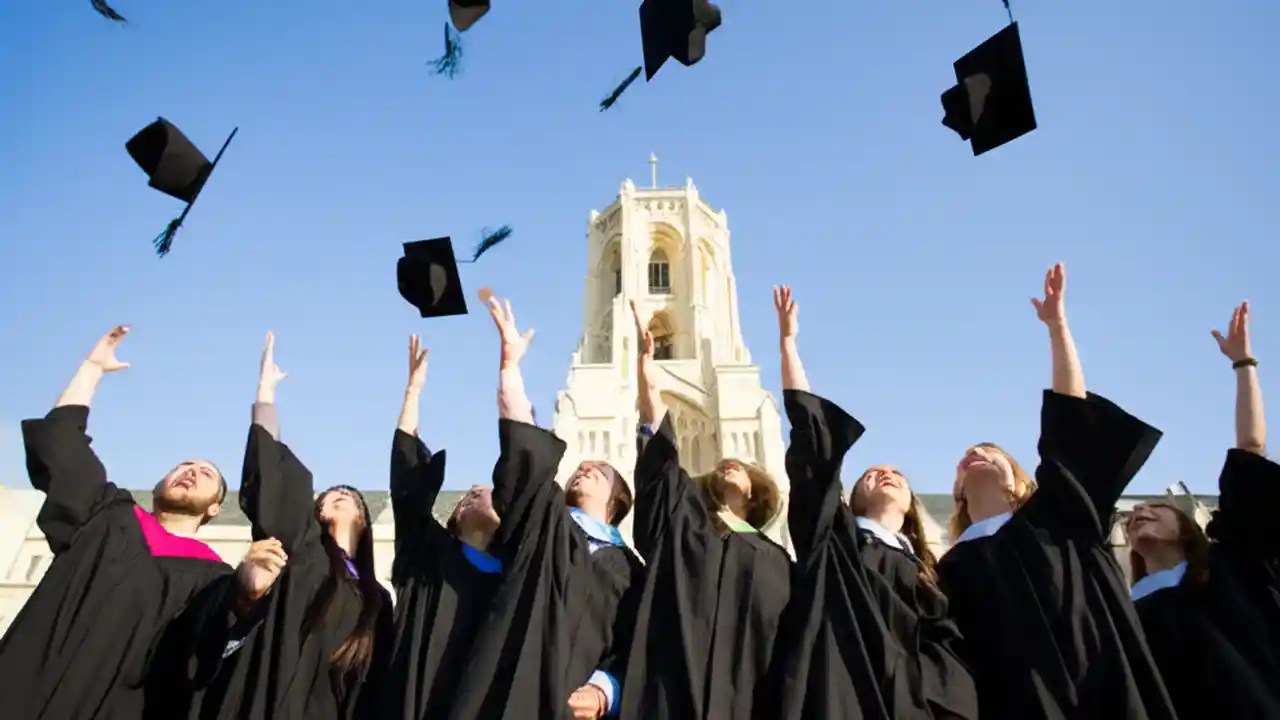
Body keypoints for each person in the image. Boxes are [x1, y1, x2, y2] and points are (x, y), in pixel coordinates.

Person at [937, 263, 1176, 719]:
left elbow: (1070, 424)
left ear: (1019, 478)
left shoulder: (1054, 517)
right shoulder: (949, 570)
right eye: (966, 455)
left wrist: (1057, 328)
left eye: (990, 450)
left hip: (1101, 692)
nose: (975, 453)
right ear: (957, 493)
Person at [0, 325, 232, 720]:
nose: (190, 472)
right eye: (182, 466)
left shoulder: (213, 581)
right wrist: (91, 368)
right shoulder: (107, 515)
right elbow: (62, 445)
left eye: (205, 474)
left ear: (213, 508)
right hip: (22, 690)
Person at [772, 285, 977, 720]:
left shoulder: (931, 577)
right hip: (838, 691)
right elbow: (815, 450)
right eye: (871, 473)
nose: (885, 474)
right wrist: (789, 345)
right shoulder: (835, 545)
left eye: (897, 475)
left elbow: (949, 653)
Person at [448, 291, 644, 720]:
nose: (584, 469)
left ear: (618, 498)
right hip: (497, 688)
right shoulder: (545, 521)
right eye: (582, 466)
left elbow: (638, 646)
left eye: (599, 470)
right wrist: (510, 370)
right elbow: (525, 451)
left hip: (571, 702)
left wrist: (605, 691)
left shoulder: (631, 570)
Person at [185, 332, 392, 720]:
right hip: (266, 695)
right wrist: (265, 398)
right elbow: (273, 481)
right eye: (329, 494)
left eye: (350, 495)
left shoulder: (376, 599)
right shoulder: (303, 544)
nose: (339, 494)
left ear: (364, 519)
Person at [619, 299, 790, 720]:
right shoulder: (682, 526)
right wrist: (647, 371)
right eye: (721, 465)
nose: (729, 463)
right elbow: (659, 454)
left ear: (757, 492)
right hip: (671, 694)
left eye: (741, 466)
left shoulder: (779, 560)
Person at [1127, 300, 1280, 718]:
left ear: (1187, 526)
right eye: (1132, 513)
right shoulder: (1125, 612)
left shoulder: (1231, 568)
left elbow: (1250, 453)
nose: (1140, 512)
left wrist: (1244, 364)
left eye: (1155, 507)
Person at [378, 333, 507, 720]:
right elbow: (406, 482)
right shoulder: (430, 551)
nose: (471, 494)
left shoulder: (518, 574)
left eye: (484, 493)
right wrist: (412, 394)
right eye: (468, 493)